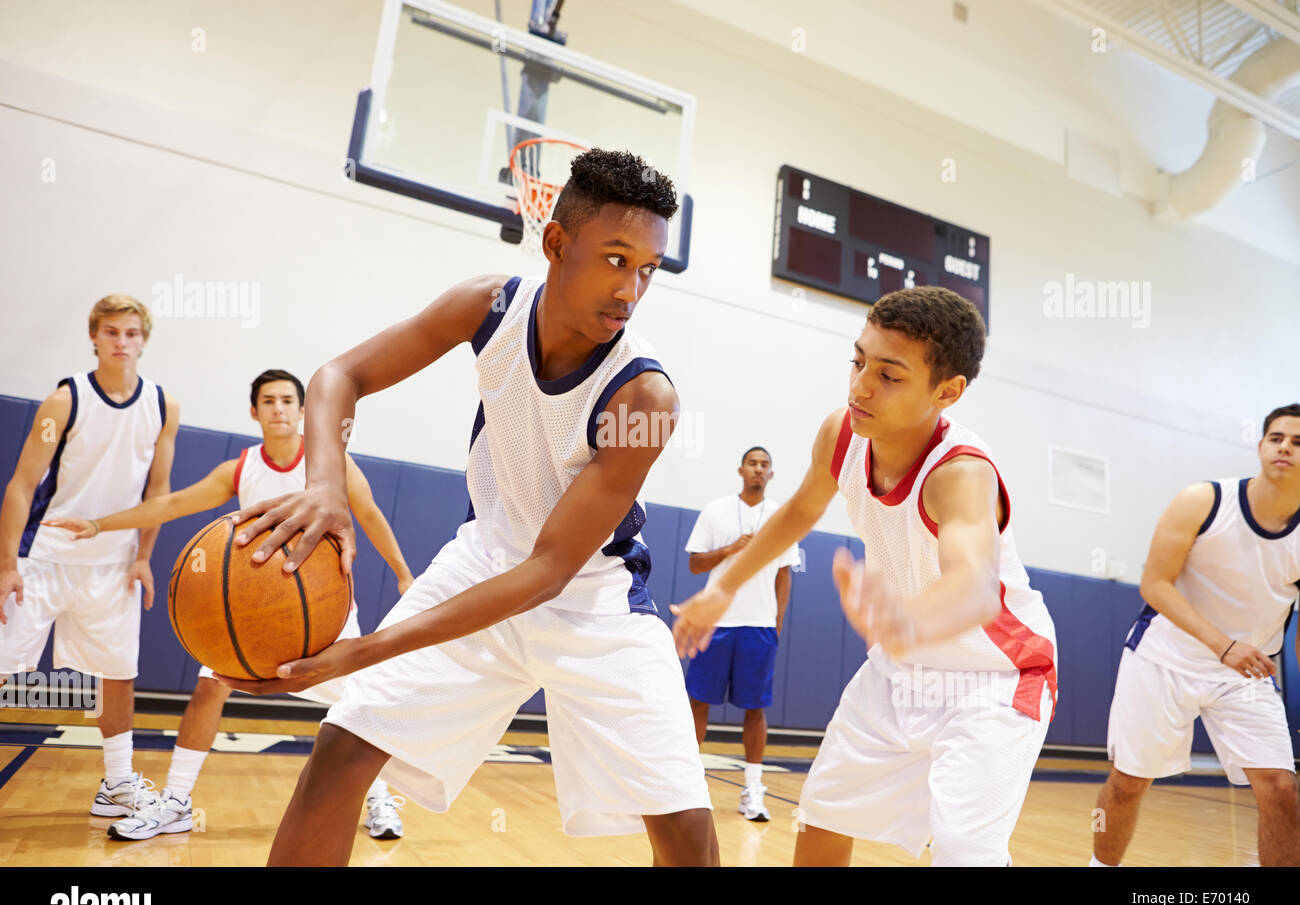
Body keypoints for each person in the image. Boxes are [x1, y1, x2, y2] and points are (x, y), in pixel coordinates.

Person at [215, 148, 718, 866]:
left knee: (686, 833)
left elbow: (548, 572)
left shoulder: (645, 397)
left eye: (647, 269)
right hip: (484, 559)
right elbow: (339, 376)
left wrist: (367, 650)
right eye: (615, 258)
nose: (631, 288)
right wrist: (325, 484)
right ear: (555, 243)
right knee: (337, 757)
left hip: (591, 603)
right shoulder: (489, 307)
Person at [673, 286, 1057, 867]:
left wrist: (908, 620)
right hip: (900, 670)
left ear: (947, 392)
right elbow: (800, 510)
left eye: (889, 375)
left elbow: (975, 586)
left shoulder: (961, 474)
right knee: (824, 815)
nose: (859, 386)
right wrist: (722, 586)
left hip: (996, 679)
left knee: (963, 850)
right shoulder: (842, 433)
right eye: (858, 361)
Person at [45, 369, 416, 841]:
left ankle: (378, 794)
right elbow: (173, 503)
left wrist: (403, 572)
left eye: (286, 400)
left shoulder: (330, 462)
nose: (278, 409)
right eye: (268, 401)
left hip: (319, 609)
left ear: (302, 410)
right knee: (210, 688)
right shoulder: (240, 468)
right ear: (254, 411)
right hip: (247, 611)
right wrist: (100, 525)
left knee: (355, 704)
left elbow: (370, 515)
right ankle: (177, 802)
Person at [1091, 404, 1300, 867]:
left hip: (1247, 672)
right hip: (1165, 657)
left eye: (1298, 442)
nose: (1285, 447)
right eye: (1276, 438)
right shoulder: (1202, 500)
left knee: (1281, 788)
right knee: (1128, 782)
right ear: (1261, 445)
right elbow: (1154, 585)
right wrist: (1223, 646)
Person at [0, 294, 180, 819]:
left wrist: (144, 555)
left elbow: (160, 487)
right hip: (45, 558)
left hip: (114, 564)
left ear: (143, 339)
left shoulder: (164, 405)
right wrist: (8, 564)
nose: (121, 342)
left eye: (131, 333)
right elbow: (21, 484)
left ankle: (118, 785)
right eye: (111, 333)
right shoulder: (65, 400)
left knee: (117, 676)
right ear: (94, 337)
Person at [683, 445, 796, 821]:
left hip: (759, 626)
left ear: (771, 474)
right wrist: (729, 550)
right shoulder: (716, 510)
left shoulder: (782, 517)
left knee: (755, 708)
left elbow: (784, 573)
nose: (758, 469)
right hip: (715, 624)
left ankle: (752, 791)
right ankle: (688, 787)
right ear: (741, 470)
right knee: (698, 702)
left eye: (765, 464)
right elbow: (695, 564)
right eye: (753, 463)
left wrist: (778, 620)